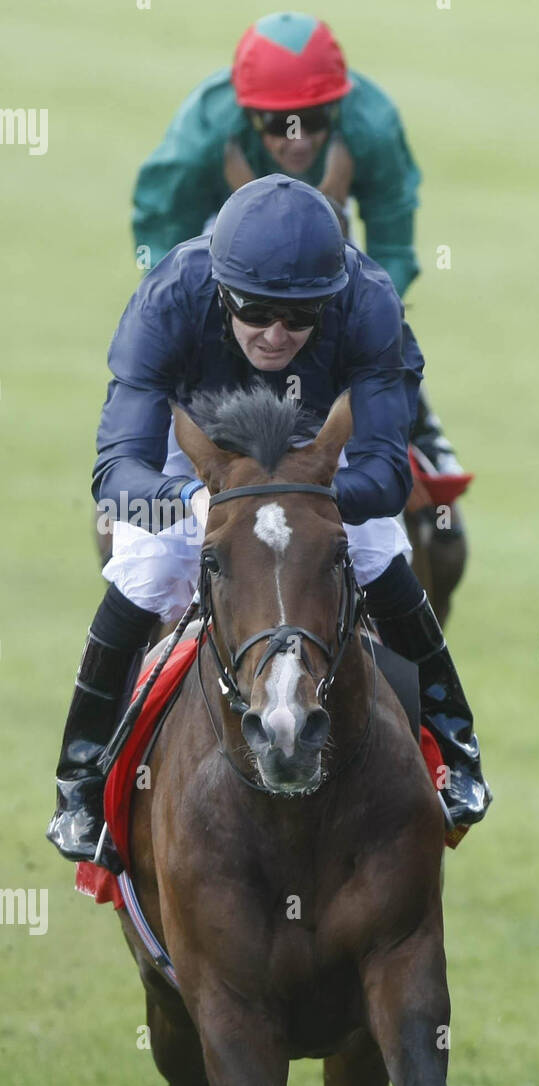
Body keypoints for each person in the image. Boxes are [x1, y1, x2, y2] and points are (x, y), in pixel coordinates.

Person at [47, 175, 489, 867]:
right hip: (200, 456)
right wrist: (198, 503)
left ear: (331, 298)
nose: (276, 334)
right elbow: (116, 478)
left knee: (377, 557)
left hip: (312, 451)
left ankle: (457, 750)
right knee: (150, 568)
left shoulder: (369, 302)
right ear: (220, 290)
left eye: (300, 317)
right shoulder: (168, 299)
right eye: (255, 312)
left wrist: (304, 503)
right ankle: (78, 781)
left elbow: (387, 471)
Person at [131, 11, 466, 590]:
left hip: (331, 264)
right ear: (245, 113)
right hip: (221, 268)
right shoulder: (204, 132)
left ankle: (426, 441)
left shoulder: (373, 123)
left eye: (313, 121)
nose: (296, 138)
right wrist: (185, 326)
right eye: (276, 123)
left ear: (339, 106)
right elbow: (159, 233)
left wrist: (367, 333)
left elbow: (391, 243)